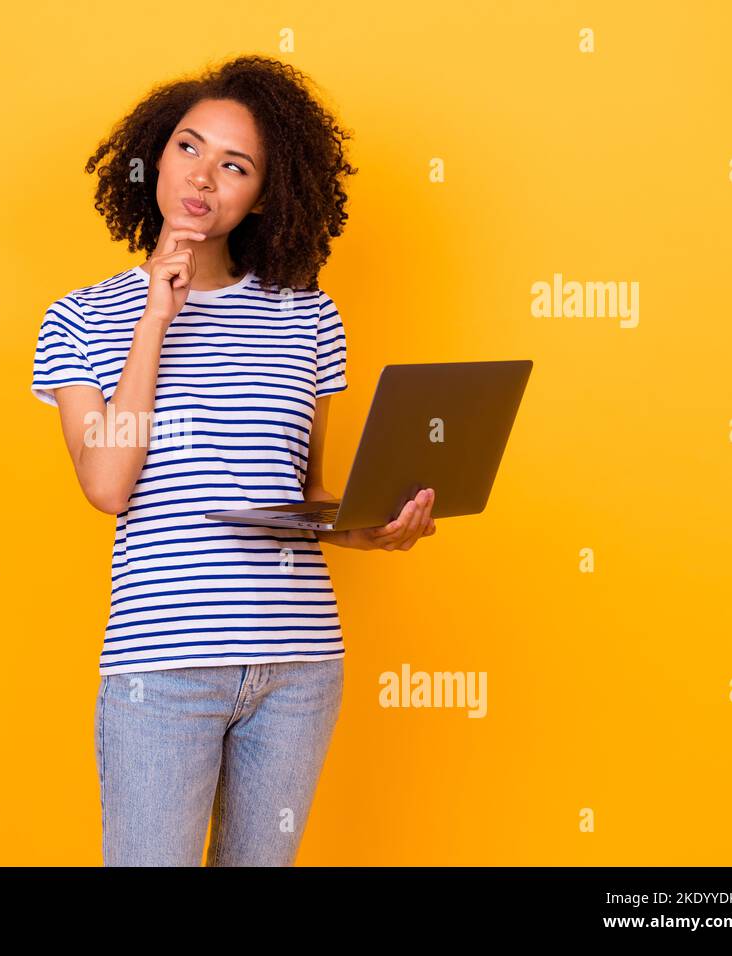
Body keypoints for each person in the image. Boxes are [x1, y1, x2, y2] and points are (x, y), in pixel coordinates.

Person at [30, 55, 437, 866]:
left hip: (298, 667)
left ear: (265, 192)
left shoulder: (308, 315)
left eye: (235, 164)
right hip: (162, 673)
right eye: (189, 147)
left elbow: (306, 493)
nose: (203, 176)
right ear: (155, 154)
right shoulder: (79, 319)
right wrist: (156, 312)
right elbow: (108, 485)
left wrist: (372, 530)